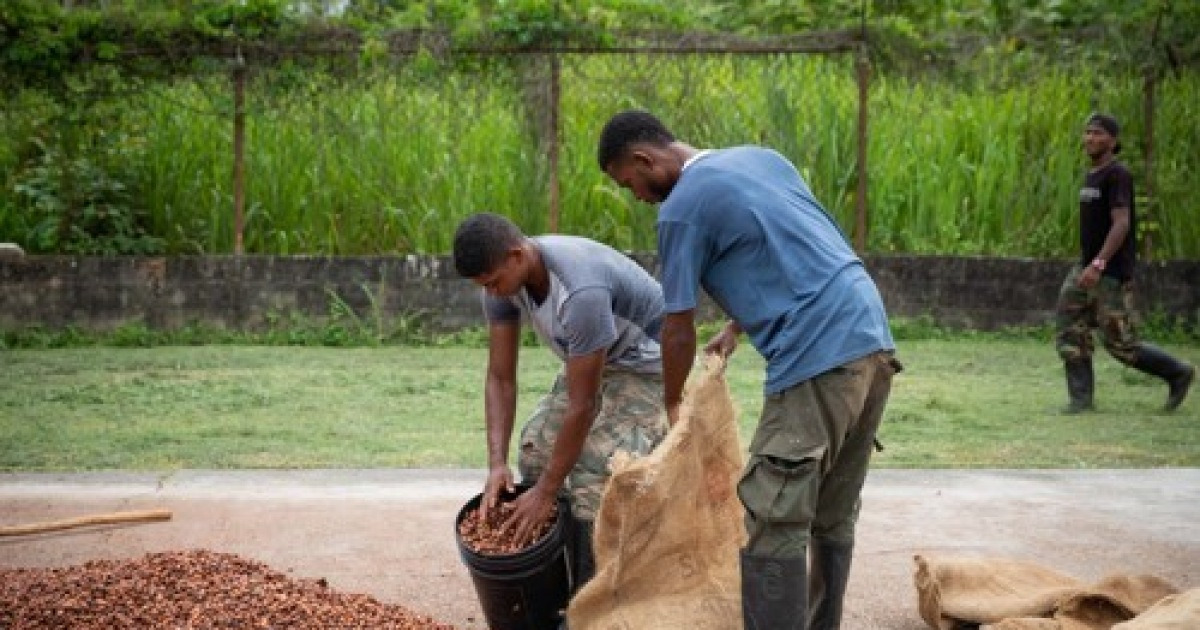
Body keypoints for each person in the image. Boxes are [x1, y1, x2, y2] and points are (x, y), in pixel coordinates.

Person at [597, 110, 899, 630]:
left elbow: (677, 326)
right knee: (832, 511)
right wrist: (737, 328)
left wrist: (674, 403)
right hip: (871, 340)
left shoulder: (682, 211)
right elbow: (793, 249)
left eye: (631, 184)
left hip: (817, 355)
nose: (639, 197)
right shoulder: (763, 161)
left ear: (646, 159)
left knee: (774, 514)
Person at [451, 212, 670, 593]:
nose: (490, 292)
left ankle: (594, 599)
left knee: (595, 470)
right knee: (536, 450)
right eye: (482, 285)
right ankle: (550, 591)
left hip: (650, 367)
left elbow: (581, 406)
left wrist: (548, 491)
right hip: (595, 359)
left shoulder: (580, 291)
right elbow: (500, 377)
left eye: (492, 282)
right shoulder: (504, 281)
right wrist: (497, 463)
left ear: (517, 256)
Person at [1055, 112, 1194, 413]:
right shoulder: (1092, 175)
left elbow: (1121, 223)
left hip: (1109, 272)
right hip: (1086, 266)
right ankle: (1080, 400)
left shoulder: (1118, 174)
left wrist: (1099, 264)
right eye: (1087, 132)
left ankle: (1178, 373)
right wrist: (1087, 263)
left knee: (1119, 343)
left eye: (1098, 133)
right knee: (1069, 327)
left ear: (1113, 140)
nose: (1090, 138)